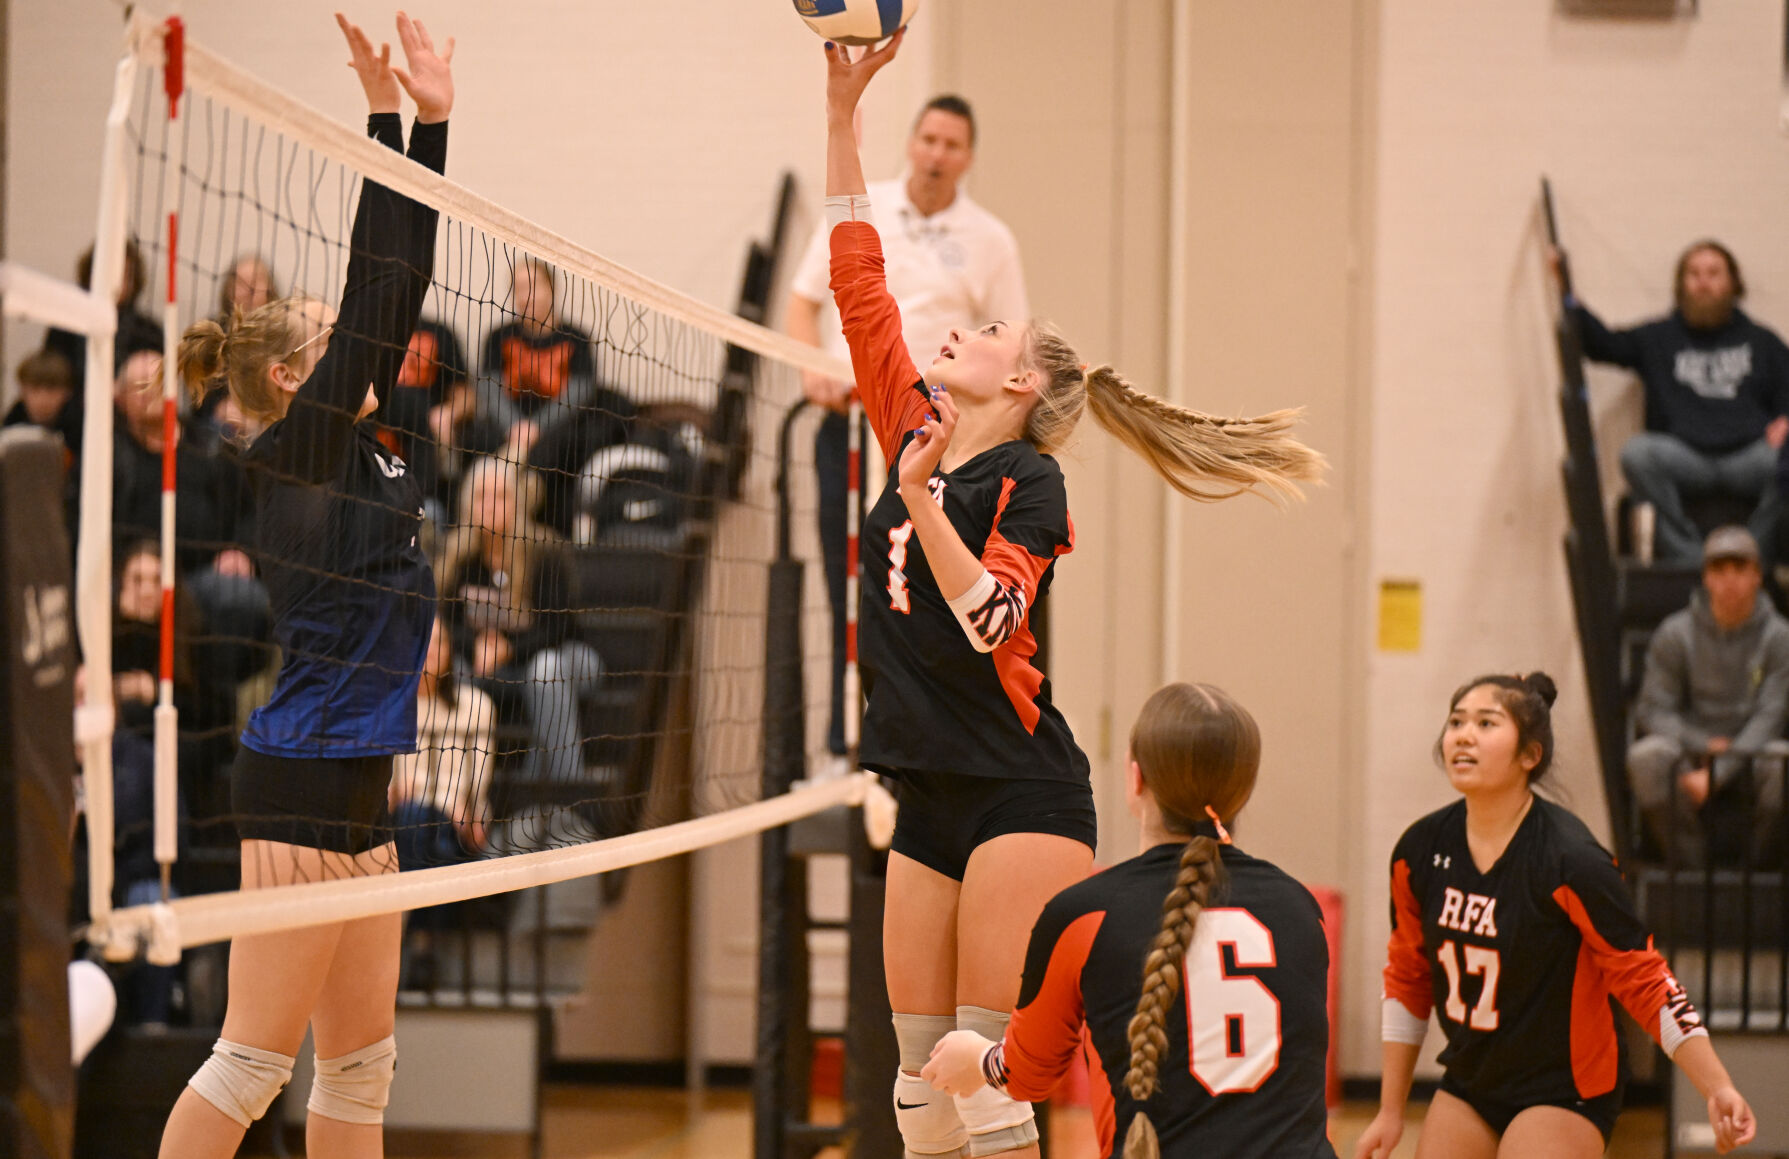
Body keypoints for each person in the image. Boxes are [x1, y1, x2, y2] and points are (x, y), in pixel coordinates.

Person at [820, 34, 1323, 1159]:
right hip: (923, 785)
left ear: (1024, 382)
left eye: (989, 330)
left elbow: (993, 617)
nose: (957, 324)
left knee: (990, 1084)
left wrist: (921, 499)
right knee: (916, 1091)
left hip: (1017, 791)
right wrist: (842, 107)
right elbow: (860, 283)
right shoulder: (916, 429)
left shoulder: (1025, 479)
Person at [156, 14, 454, 1157]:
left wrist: (411, 120)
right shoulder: (299, 450)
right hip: (301, 774)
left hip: (359, 781)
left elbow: (391, 277)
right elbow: (381, 288)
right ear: (293, 376)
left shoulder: (369, 440)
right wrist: (402, 124)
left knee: (364, 1068)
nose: (359, 348)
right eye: (331, 344)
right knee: (250, 1061)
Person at [922, 683, 1336, 1159]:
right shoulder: (1303, 910)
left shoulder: (1084, 914)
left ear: (1135, 778)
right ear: (1243, 790)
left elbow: (1028, 1075)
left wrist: (975, 1060)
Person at [1355, 673, 1756, 1159]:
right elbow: (1408, 977)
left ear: (1530, 755)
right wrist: (1390, 1110)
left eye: (1486, 723)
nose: (1463, 734)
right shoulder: (1419, 851)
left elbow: (1645, 979)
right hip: (1471, 1080)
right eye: (1456, 721)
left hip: (1566, 1089)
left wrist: (1717, 1087)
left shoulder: (1572, 860)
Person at [788, 89, 1028, 762]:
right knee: (849, 572)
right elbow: (818, 298)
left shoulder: (990, 240)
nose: (935, 154)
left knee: (923, 580)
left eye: (950, 145)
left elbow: (1017, 342)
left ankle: (926, 722)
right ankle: (850, 728)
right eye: (927, 140)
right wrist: (813, 369)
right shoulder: (873, 214)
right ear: (911, 143)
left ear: (967, 158)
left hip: (937, 433)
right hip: (856, 421)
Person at [1554, 240, 1789, 564]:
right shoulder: (1658, 337)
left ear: (1733, 283)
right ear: (1681, 285)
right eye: (1693, 274)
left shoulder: (1763, 341)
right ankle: (1692, 560)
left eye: (1713, 273)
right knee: (1637, 453)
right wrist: (1567, 294)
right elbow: (1603, 345)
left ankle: (1752, 559)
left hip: (1748, 455)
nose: (1703, 282)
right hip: (1683, 456)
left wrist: (1786, 418)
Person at [435, 455, 599, 793]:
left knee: (545, 670)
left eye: (501, 496)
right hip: (490, 665)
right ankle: (459, 797)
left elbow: (561, 626)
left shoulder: (546, 550)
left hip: (569, 660)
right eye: (483, 496)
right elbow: (447, 624)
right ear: (469, 503)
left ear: (517, 501)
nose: (492, 505)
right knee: (452, 671)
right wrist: (476, 645)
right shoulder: (457, 558)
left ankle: (570, 802)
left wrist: (509, 648)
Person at [1628, 525, 1789, 866]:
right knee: (1646, 758)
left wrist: (1719, 772)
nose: (1729, 580)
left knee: (1783, 765)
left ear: (1758, 576)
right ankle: (1692, 875)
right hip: (1692, 752)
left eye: (1739, 569)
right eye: (1719, 569)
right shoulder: (1675, 633)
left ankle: (1759, 878)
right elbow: (1654, 710)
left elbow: (1771, 717)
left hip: (1755, 753)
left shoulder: (1779, 638)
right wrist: (1700, 743)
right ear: (1705, 578)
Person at [476, 257, 596, 452]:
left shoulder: (576, 338)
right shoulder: (498, 336)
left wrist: (538, 428)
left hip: (556, 432)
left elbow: (580, 391)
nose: (527, 295)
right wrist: (514, 427)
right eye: (520, 288)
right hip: (505, 429)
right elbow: (489, 388)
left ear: (551, 288)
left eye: (534, 286)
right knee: (477, 434)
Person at [3, 347, 80, 460]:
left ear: (67, 392)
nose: (42, 399)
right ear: (22, 390)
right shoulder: (10, 427)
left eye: (51, 389)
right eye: (35, 389)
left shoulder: (81, 432)